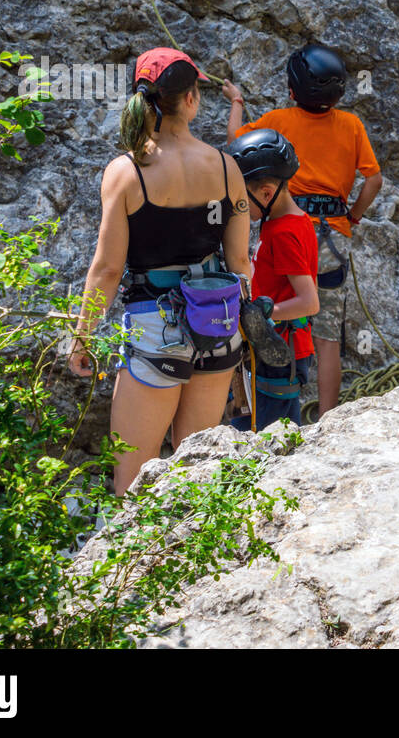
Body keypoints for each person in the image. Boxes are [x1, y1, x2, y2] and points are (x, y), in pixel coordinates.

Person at [69, 48, 253, 497]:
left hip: (156, 328)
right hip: (216, 322)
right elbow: (240, 264)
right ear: (191, 99)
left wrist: (82, 335)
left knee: (130, 480)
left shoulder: (127, 171)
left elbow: (109, 269)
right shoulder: (227, 167)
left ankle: (130, 565)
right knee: (196, 470)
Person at [227, 44, 383, 419]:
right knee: (327, 333)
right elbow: (373, 179)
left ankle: (266, 403)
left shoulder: (280, 121)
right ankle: (327, 419)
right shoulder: (351, 125)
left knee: (276, 316)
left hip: (289, 225)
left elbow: (237, 146)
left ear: (293, 89)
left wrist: (236, 101)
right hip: (332, 235)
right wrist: (354, 216)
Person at [223, 128, 320, 431]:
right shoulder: (283, 222)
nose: (239, 206)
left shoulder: (284, 233)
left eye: (243, 199)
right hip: (271, 347)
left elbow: (309, 301)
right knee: (267, 428)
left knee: (264, 436)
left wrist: (265, 313)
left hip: (279, 350)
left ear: (266, 192)